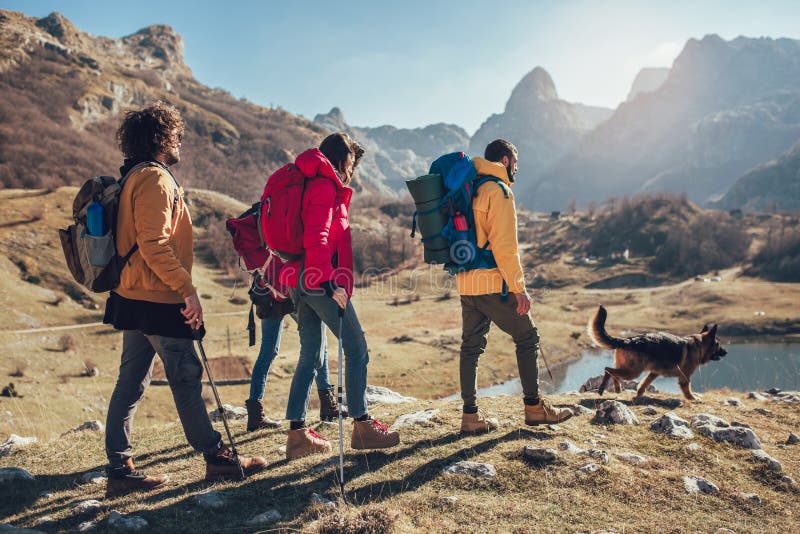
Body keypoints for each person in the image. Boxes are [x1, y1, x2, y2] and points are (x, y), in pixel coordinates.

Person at [102, 101, 266, 495]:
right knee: (187, 375)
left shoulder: (132, 178)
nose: (180, 142)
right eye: (176, 135)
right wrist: (187, 290)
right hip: (158, 298)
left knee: (131, 381)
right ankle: (216, 458)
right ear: (161, 138)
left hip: (132, 296)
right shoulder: (156, 180)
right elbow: (154, 243)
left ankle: (120, 469)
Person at [280, 132, 400, 459]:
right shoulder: (323, 184)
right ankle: (362, 427)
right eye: (349, 162)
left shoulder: (313, 180)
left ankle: (297, 435)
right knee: (357, 348)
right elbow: (317, 236)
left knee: (312, 354)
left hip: (300, 279)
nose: (351, 170)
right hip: (318, 280)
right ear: (340, 160)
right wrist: (329, 282)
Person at [457, 139, 573, 433]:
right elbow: (505, 247)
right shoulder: (499, 192)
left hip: (466, 282)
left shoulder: (469, 190)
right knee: (528, 337)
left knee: (471, 347)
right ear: (506, 161)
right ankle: (534, 408)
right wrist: (519, 288)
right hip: (493, 282)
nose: (517, 170)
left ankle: (470, 416)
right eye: (516, 164)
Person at [245, 310, 348, 431]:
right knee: (318, 343)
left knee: (267, 352)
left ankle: (255, 415)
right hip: (296, 296)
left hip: (270, 297)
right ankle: (328, 405)